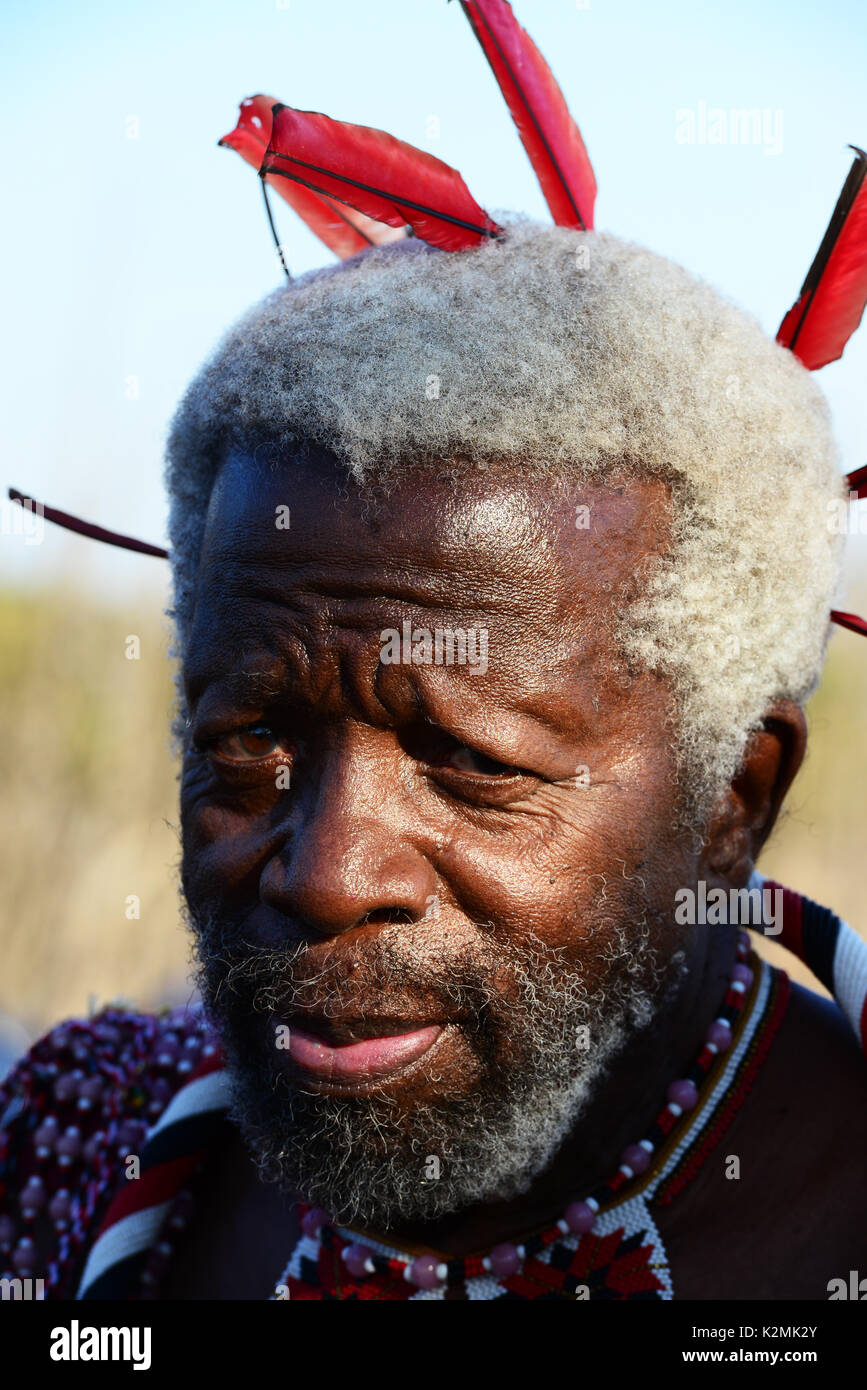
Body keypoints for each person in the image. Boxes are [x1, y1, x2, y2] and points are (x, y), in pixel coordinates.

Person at [2, 0, 866, 1302]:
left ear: (730, 794)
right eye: (248, 742)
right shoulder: (68, 1150)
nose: (329, 874)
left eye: (468, 757)